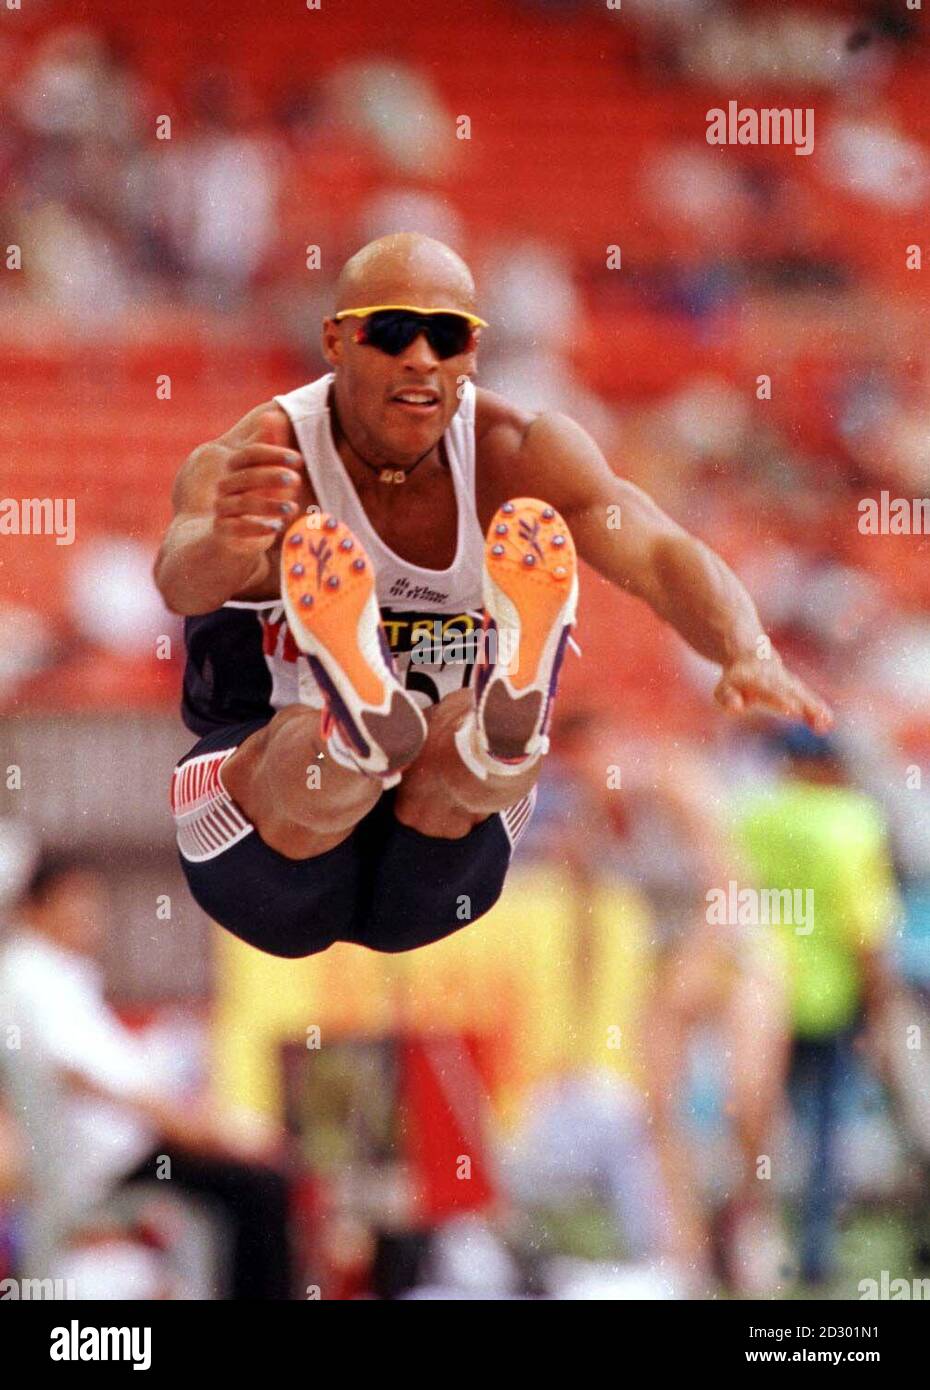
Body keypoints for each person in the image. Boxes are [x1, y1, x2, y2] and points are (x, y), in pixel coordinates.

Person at [154, 231, 832, 962]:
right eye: (390, 330)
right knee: (318, 754)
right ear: (335, 340)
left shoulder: (518, 452)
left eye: (446, 336)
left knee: (441, 743)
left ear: (472, 353)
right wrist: (225, 542)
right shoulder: (263, 456)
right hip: (274, 833)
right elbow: (178, 577)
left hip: (435, 840)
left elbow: (661, 551)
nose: (420, 356)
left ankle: (462, 736)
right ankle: (381, 740)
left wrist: (747, 647)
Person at [0, 854, 292, 1298]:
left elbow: (125, 1074)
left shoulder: (61, 974)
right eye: (76, 903)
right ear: (38, 906)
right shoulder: (31, 974)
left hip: (131, 1148)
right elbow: (87, 1076)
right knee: (258, 1189)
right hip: (104, 1165)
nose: (92, 918)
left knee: (255, 1174)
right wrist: (198, 1131)